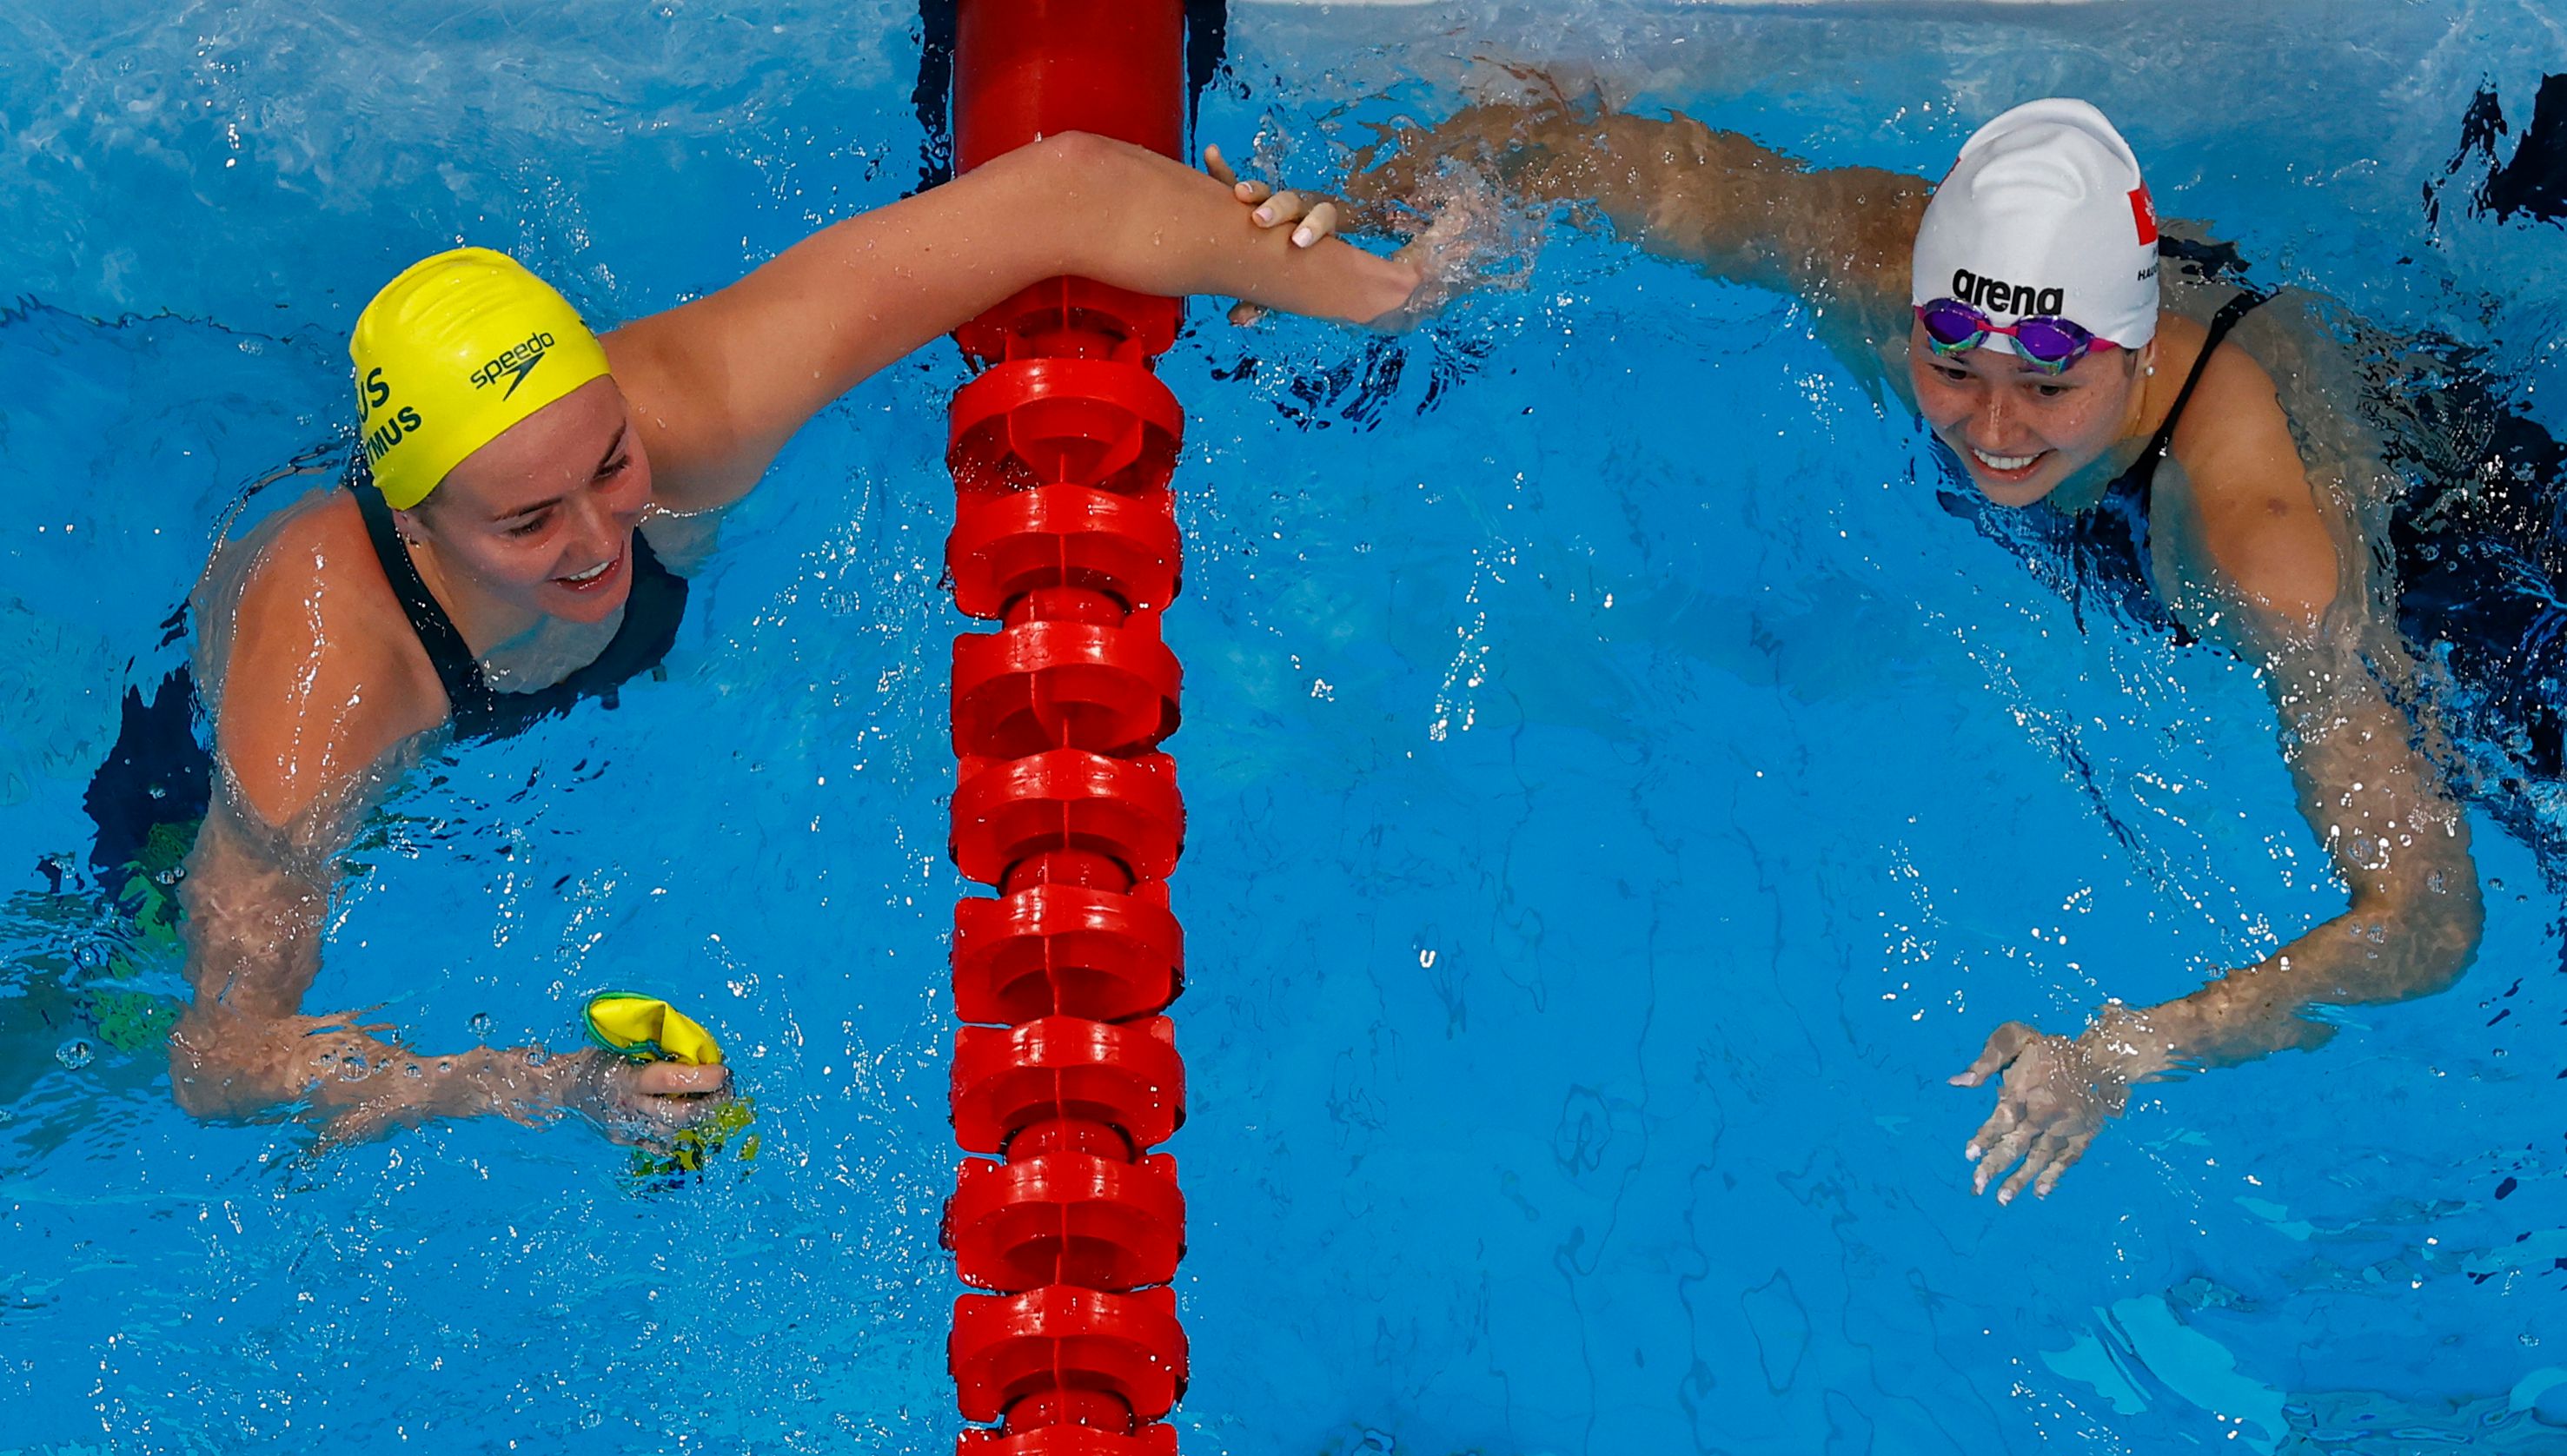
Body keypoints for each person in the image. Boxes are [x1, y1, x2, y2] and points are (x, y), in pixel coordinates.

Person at [1251, 91, 2486, 1204]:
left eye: (2047, 385)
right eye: (1952, 367)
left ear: (2136, 350)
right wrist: (1379, 214)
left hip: (2458, 547)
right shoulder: (1869, 265)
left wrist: (2128, 1049)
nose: (1992, 427)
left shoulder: (2261, 553)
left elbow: (2425, 916)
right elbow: (1594, 150)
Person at [164, 132, 1436, 1144]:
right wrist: (547, 1085)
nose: (601, 538)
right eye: (528, 520)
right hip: (183, 777)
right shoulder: (332, 686)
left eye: (610, 463)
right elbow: (221, 1061)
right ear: (421, 520)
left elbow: (1066, 195)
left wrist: (1378, 284)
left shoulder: (692, 409)